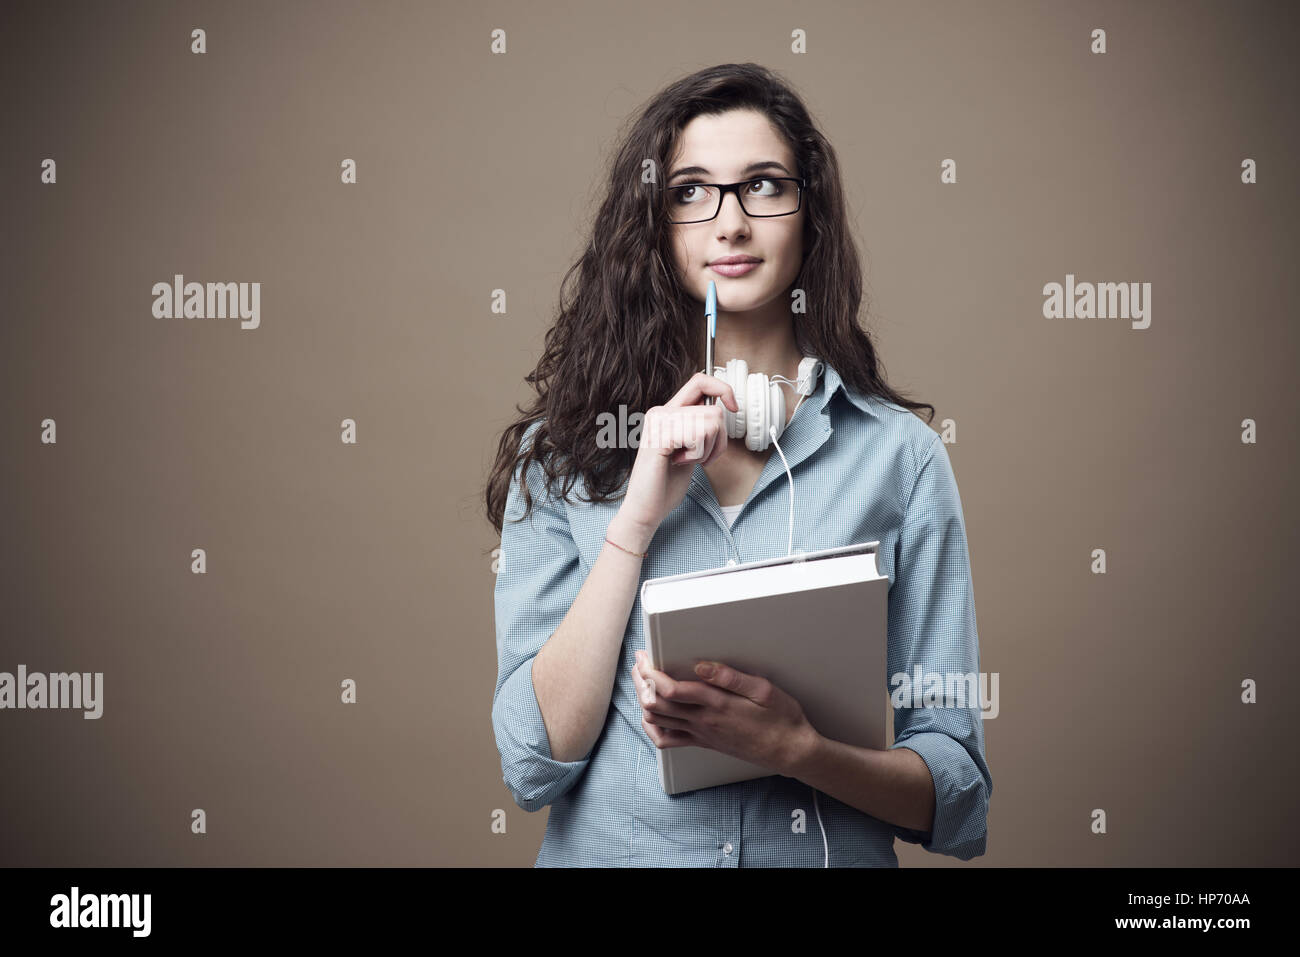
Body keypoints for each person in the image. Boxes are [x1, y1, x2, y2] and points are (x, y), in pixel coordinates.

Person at [485, 63, 991, 867]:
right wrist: (635, 523)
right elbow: (533, 764)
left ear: (809, 215)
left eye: (763, 186)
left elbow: (957, 795)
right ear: (654, 223)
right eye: (691, 191)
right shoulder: (564, 457)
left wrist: (799, 748)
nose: (730, 223)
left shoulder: (901, 459)